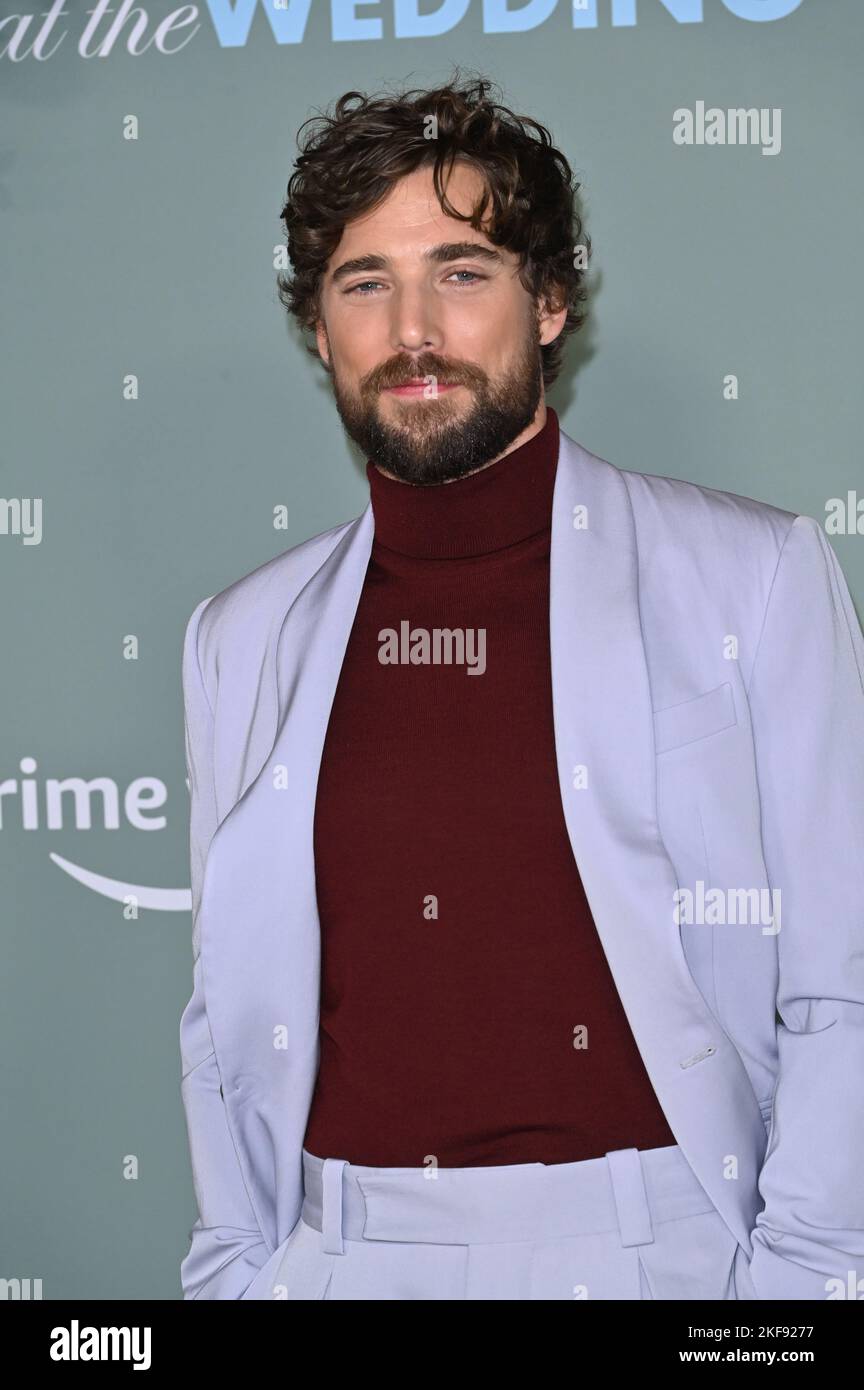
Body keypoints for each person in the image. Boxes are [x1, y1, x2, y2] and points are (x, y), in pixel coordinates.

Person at [178, 74, 864, 1300]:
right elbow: (222, 1011)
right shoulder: (242, 636)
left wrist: (799, 1291)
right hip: (337, 1259)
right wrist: (239, 1268)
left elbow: (842, 977)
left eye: (462, 270)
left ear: (548, 301)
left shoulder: (753, 575)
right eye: (365, 283)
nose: (413, 329)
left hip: (666, 1252)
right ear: (320, 329)